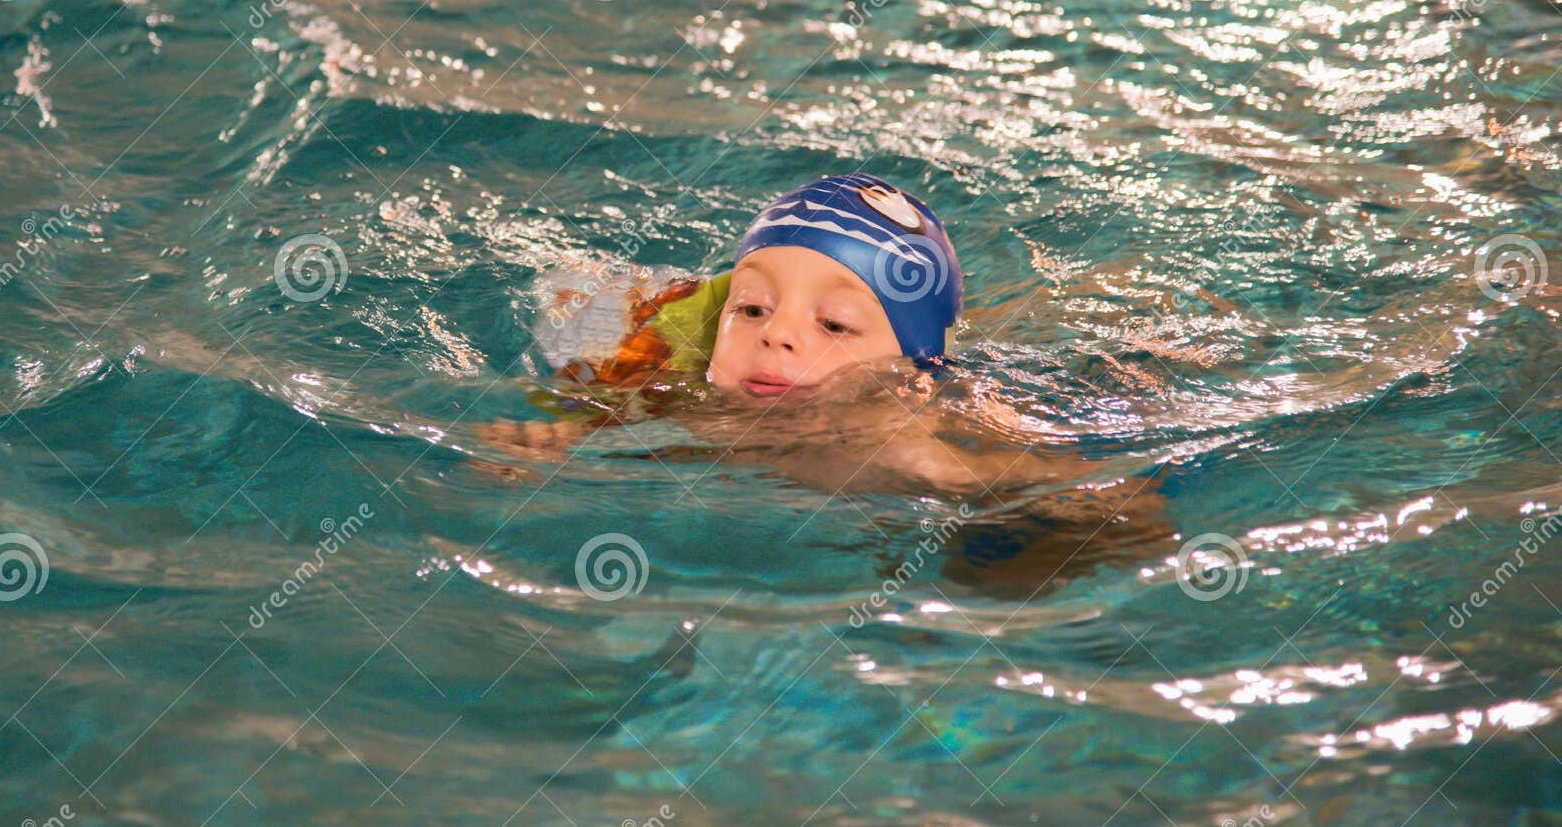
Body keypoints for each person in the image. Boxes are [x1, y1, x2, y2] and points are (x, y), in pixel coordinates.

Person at [476, 173, 1176, 591]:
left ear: (912, 365)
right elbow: (599, 404)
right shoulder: (690, 397)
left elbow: (1125, 504)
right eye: (751, 309)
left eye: (834, 325)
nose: (777, 334)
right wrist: (552, 434)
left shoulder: (918, 448)